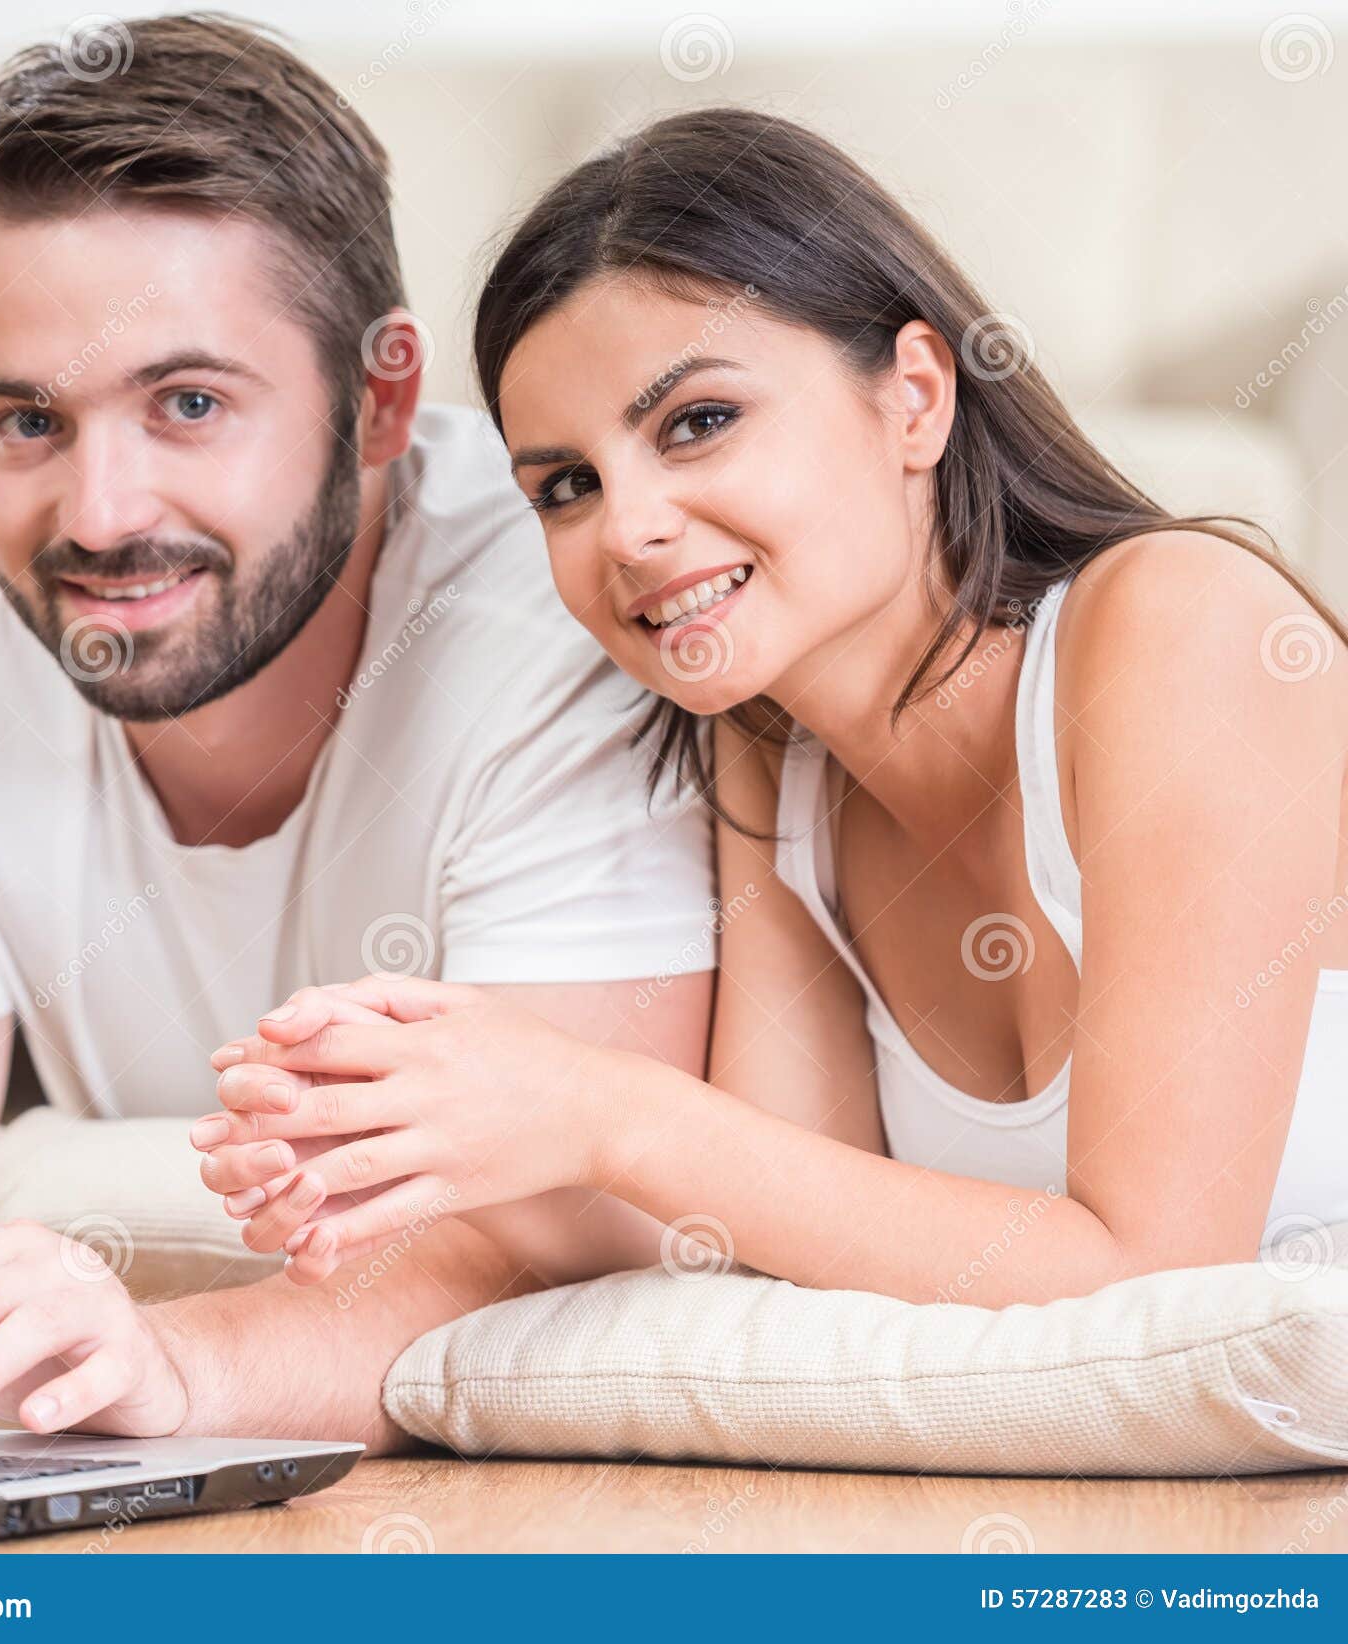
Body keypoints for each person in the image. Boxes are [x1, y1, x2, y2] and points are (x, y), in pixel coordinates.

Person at [200, 106, 1348, 1308]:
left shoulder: (1181, 625)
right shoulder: (767, 756)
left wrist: (602, 1109)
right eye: (567, 486)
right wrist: (401, 1122)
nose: (628, 529)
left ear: (913, 396)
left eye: (697, 422)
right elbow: (787, 1263)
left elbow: (1156, 1278)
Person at [0, 18, 714, 1447]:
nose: (100, 514)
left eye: (189, 403)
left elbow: (561, 1229)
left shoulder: (558, 612)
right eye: (27, 420)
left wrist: (178, 1368)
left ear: (383, 394)